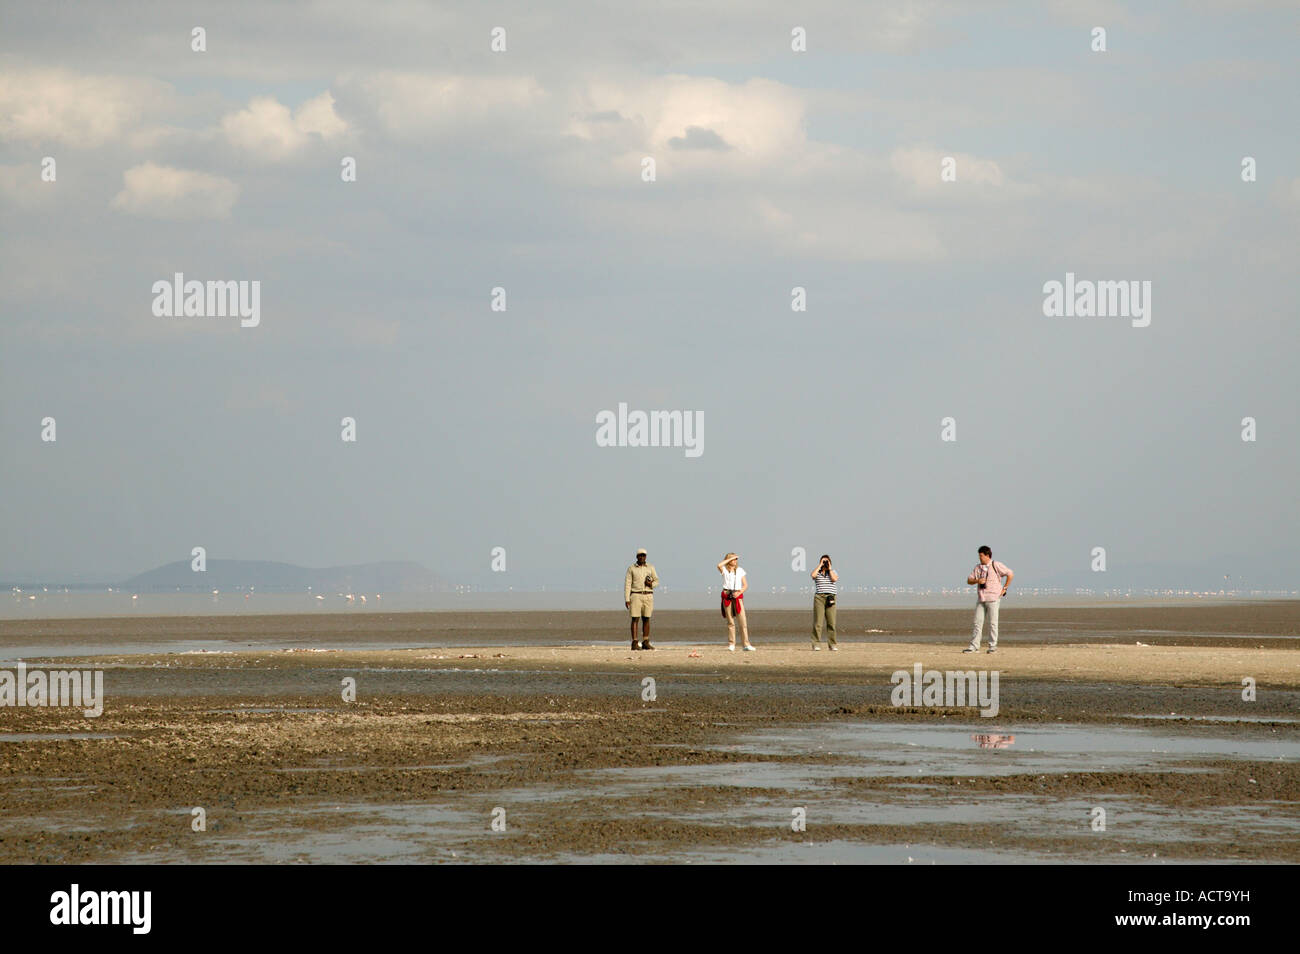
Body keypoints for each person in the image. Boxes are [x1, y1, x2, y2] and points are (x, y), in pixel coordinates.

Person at [964, 545, 1013, 654]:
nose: (980, 558)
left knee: (993, 623)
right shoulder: (978, 567)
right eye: (979, 556)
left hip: (993, 598)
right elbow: (969, 580)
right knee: (977, 622)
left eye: (981, 556)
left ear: (987, 555)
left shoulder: (996, 565)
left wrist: (1004, 588)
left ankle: (992, 646)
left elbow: (1010, 573)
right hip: (981, 598)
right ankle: (974, 646)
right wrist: (977, 581)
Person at [716, 552, 754, 651]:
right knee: (730, 622)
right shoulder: (724, 570)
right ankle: (731, 644)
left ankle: (746, 644)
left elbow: (745, 585)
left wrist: (739, 592)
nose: (735, 561)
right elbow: (719, 565)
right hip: (727, 595)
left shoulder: (740, 570)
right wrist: (729, 559)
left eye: (736, 559)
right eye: (733, 559)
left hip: (737, 596)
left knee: (742, 621)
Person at [624, 548, 659, 650]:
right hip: (636, 595)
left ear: (646, 557)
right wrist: (627, 599)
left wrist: (651, 584)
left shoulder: (650, 568)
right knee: (635, 618)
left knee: (646, 618)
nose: (642, 557)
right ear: (637, 557)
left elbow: (657, 581)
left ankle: (645, 641)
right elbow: (627, 584)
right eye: (640, 555)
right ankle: (635, 642)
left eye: (644, 555)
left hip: (648, 595)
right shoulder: (631, 568)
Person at [810, 554, 838, 651]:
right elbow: (812, 575)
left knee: (831, 622)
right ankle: (816, 643)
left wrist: (829, 568)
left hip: (831, 597)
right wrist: (820, 565)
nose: (825, 563)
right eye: (823, 561)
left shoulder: (833, 571)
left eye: (826, 561)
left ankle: (832, 644)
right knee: (818, 622)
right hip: (819, 598)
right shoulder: (817, 572)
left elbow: (834, 579)